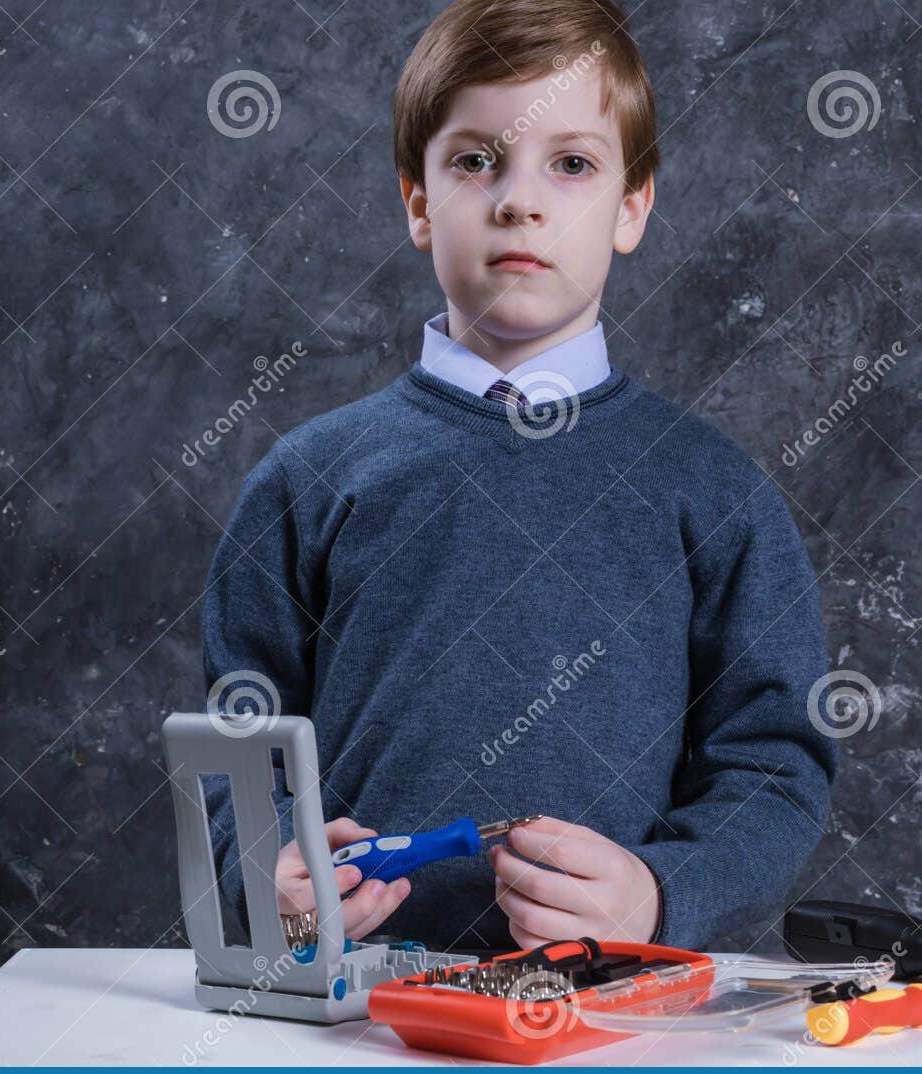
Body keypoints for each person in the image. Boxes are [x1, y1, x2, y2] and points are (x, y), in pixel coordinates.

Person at [199, 0, 837, 953]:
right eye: (474, 161)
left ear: (631, 207)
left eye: (570, 164)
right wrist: (262, 875)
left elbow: (774, 764)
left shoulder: (715, 491)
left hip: (610, 1005)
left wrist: (658, 896)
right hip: (354, 1004)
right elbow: (236, 745)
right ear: (419, 203)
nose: (518, 201)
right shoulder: (308, 479)